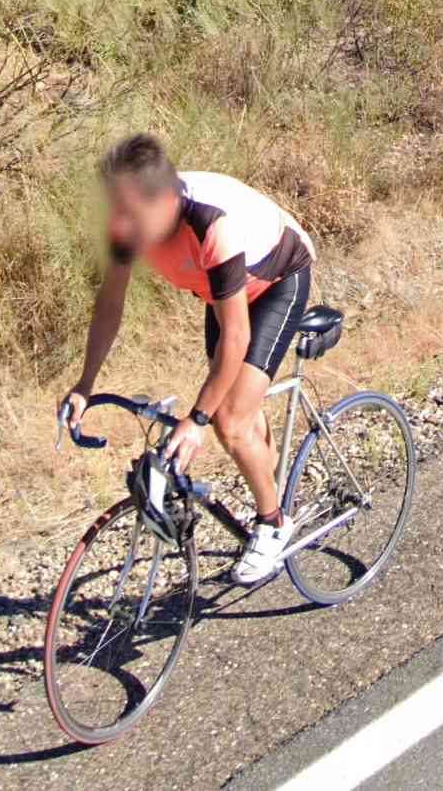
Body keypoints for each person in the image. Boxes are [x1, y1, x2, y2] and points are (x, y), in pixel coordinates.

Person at [60, 134, 317, 586]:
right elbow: (110, 303)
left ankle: (274, 523)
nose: (120, 223)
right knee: (238, 409)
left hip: (278, 278)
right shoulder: (130, 222)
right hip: (224, 292)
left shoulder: (211, 225)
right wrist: (84, 383)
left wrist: (197, 420)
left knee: (229, 420)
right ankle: (270, 486)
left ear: (165, 200)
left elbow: (235, 336)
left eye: (130, 212)